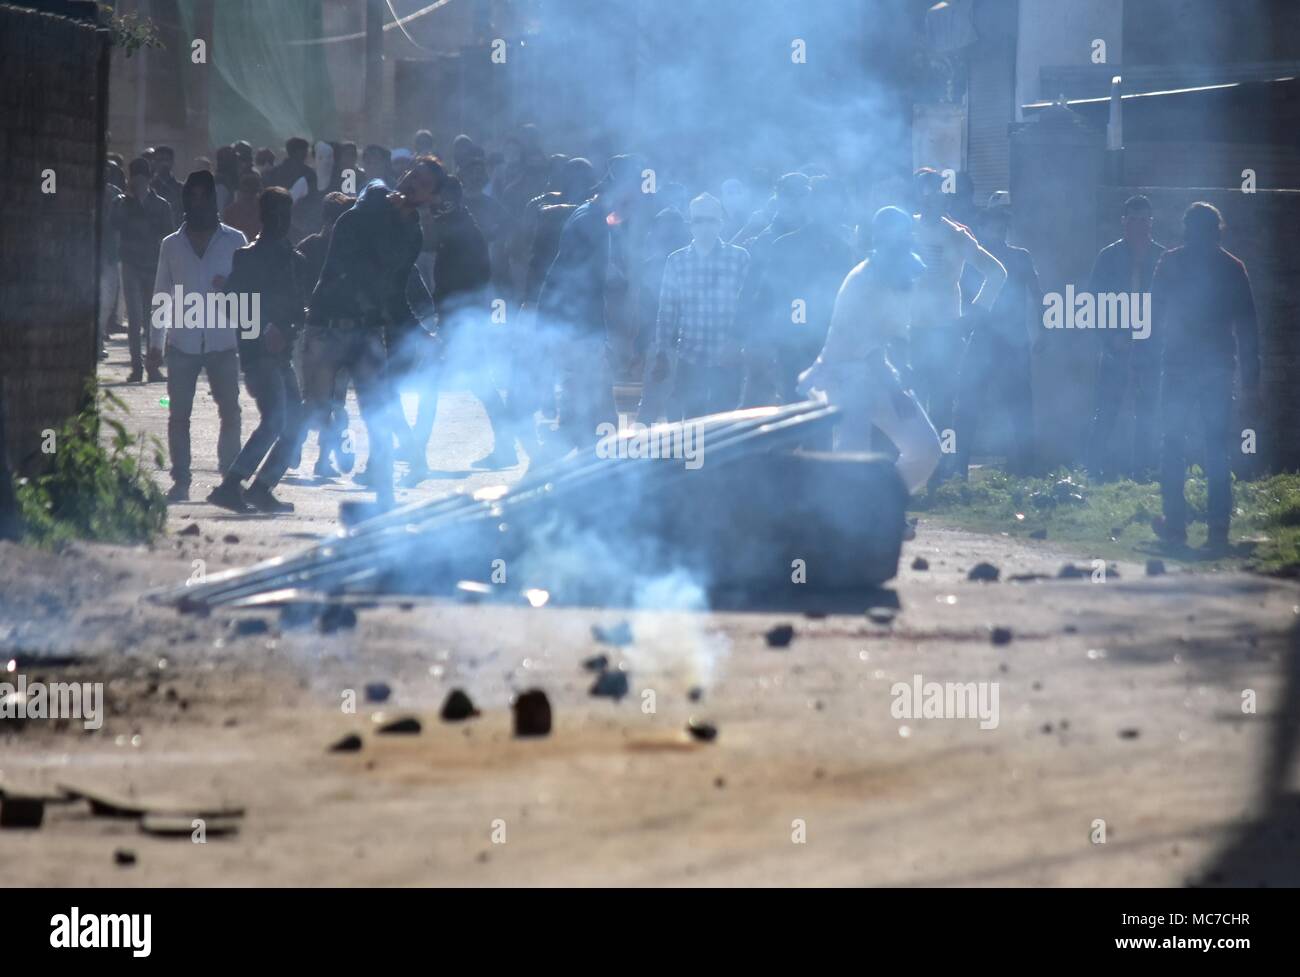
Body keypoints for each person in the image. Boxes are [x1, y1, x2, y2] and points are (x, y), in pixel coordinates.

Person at [305, 156, 444, 510]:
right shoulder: (372, 201)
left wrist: (420, 333)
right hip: (330, 322)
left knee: (379, 407)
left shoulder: (412, 232)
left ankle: (385, 494)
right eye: (414, 175)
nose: (413, 184)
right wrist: (390, 212)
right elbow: (365, 215)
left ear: (430, 198)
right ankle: (252, 481)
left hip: (366, 330)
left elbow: (395, 290)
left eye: (424, 184)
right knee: (315, 409)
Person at [799, 206, 941, 494]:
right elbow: (870, 348)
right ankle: (842, 524)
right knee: (852, 459)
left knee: (925, 449)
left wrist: (906, 368)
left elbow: (898, 336)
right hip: (846, 375)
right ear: (879, 241)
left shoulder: (903, 274)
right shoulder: (864, 279)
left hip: (882, 374)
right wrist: (897, 389)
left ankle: (884, 506)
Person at [1152, 202, 1260, 553]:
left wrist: (1146, 363)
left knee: (1173, 444)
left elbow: (1152, 317)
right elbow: (1248, 329)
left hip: (1180, 367)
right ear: (1218, 230)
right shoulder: (1232, 268)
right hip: (1216, 369)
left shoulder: (1171, 263)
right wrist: (1250, 381)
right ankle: (1216, 528)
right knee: (1216, 448)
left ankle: (1176, 526)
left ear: (1187, 229)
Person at [404, 175, 516, 482]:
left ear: (450, 200)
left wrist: (452, 322)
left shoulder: (463, 231)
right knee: (481, 386)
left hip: (460, 322)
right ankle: (508, 446)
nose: (434, 204)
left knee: (431, 386)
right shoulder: (458, 227)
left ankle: (416, 454)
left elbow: (468, 280)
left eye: (438, 199)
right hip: (462, 321)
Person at [147, 170, 248, 502]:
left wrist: (251, 338)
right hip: (182, 342)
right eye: (192, 197)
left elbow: (248, 291)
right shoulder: (171, 245)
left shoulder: (235, 241)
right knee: (179, 415)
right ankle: (181, 480)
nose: (198, 203)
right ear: (185, 200)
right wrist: (154, 343)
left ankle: (229, 478)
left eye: (205, 197)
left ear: (213, 200)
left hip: (223, 341)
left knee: (230, 411)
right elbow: (162, 295)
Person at [208, 188, 309, 514]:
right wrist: (266, 329)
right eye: (275, 213)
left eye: (285, 213)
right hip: (258, 352)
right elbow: (233, 304)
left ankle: (262, 488)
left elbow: (296, 305)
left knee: (295, 420)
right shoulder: (248, 256)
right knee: (275, 420)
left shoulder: (293, 259)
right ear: (264, 216)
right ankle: (231, 485)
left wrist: (288, 329)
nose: (281, 220)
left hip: (282, 353)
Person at [536, 154, 642, 454]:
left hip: (577, 322)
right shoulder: (591, 221)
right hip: (575, 324)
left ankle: (582, 465)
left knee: (589, 401)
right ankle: (581, 472)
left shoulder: (597, 217)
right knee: (589, 405)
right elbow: (581, 278)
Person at [909, 167, 1006, 469]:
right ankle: (909, 471)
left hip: (944, 333)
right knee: (907, 405)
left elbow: (997, 273)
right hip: (907, 331)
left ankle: (940, 474)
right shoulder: (902, 230)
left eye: (936, 191)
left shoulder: (956, 235)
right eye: (924, 191)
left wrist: (975, 313)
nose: (930, 198)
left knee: (940, 404)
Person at [745, 175, 855, 406]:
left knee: (809, 412)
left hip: (822, 342)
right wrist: (754, 338)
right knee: (805, 411)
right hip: (798, 341)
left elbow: (846, 301)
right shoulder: (785, 244)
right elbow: (764, 295)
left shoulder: (841, 247)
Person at [952, 201, 1041, 478]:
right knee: (967, 403)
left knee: (1020, 406)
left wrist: (1044, 331)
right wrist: (961, 326)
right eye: (994, 224)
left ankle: (1026, 468)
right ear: (984, 227)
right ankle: (958, 466)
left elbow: (1037, 294)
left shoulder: (1020, 257)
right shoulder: (975, 258)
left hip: (1014, 341)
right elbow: (962, 295)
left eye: (1003, 225)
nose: (998, 230)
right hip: (983, 338)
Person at [1084, 194, 1166, 481]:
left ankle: (1142, 470)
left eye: (1144, 220)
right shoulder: (1108, 257)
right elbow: (1093, 303)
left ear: (1151, 223)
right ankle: (1094, 471)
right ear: (1124, 223)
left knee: (1148, 411)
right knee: (1107, 408)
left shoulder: (1162, 258)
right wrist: (1111, 338)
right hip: (1116, 346)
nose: (1139, 226)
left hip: (1151, 348)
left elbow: (1170, 306)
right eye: (1133, 220)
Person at [648, 193, 751, 419]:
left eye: (711, 220)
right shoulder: (676, 260)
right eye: (699, 220)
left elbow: (748, 307)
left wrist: (736, 342)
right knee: (691, 421)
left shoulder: (739, 258)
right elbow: (667, 309)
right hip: (690, 355)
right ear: (690, 224)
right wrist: (662, 352)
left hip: (727, 356)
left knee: (723, 423)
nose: (705, 226)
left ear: (720, 223)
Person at [297, 191, 356, 478]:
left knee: (331, 401)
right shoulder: (313, 248)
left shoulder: (338, 249)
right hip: (318, 331)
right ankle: (297, 445)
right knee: (318, 400)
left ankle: (321, 458)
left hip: (335, 332)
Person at [117, 156, 175, 382]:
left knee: (154, 318)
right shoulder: (122, 203)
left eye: (142, 179)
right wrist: (130, 201)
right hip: (131, 264)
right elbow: (114, 223)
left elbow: (168, 234)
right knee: (134, 318)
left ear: (149, 180)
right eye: (135, 180)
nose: (139, 184)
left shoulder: (161, 205)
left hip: (153, 265)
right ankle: (136, 367)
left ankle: (152, 365)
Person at [99, 163, 125, 362]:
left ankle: (98, 340)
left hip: (109, 255)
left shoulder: (116, 196)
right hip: (88, 254)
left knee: (106, 302)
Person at [222, 170, 263, 241]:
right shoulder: (230, 212)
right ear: (240, 191)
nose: (248, 195)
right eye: (246, 191)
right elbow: (226, 237)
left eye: (253, 191)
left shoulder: (266, 211)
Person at [149, 145, 184, 224]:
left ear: (172, 162)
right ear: (154, 162)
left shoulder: (181, 189)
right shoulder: (149, 188)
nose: (163, 164)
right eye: (160, 160)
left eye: (166, 160)